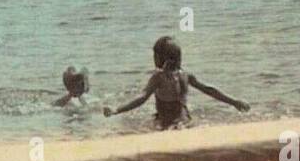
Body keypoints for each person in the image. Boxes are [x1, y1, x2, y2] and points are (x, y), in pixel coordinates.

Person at [104, 36, 249, 129]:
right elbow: (209, 90)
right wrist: (234, 102)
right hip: (186, 120)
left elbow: (142, 98)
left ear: (160, 59)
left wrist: (117, 110)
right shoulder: (185, 75)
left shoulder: (158, 78)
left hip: (165, 124)